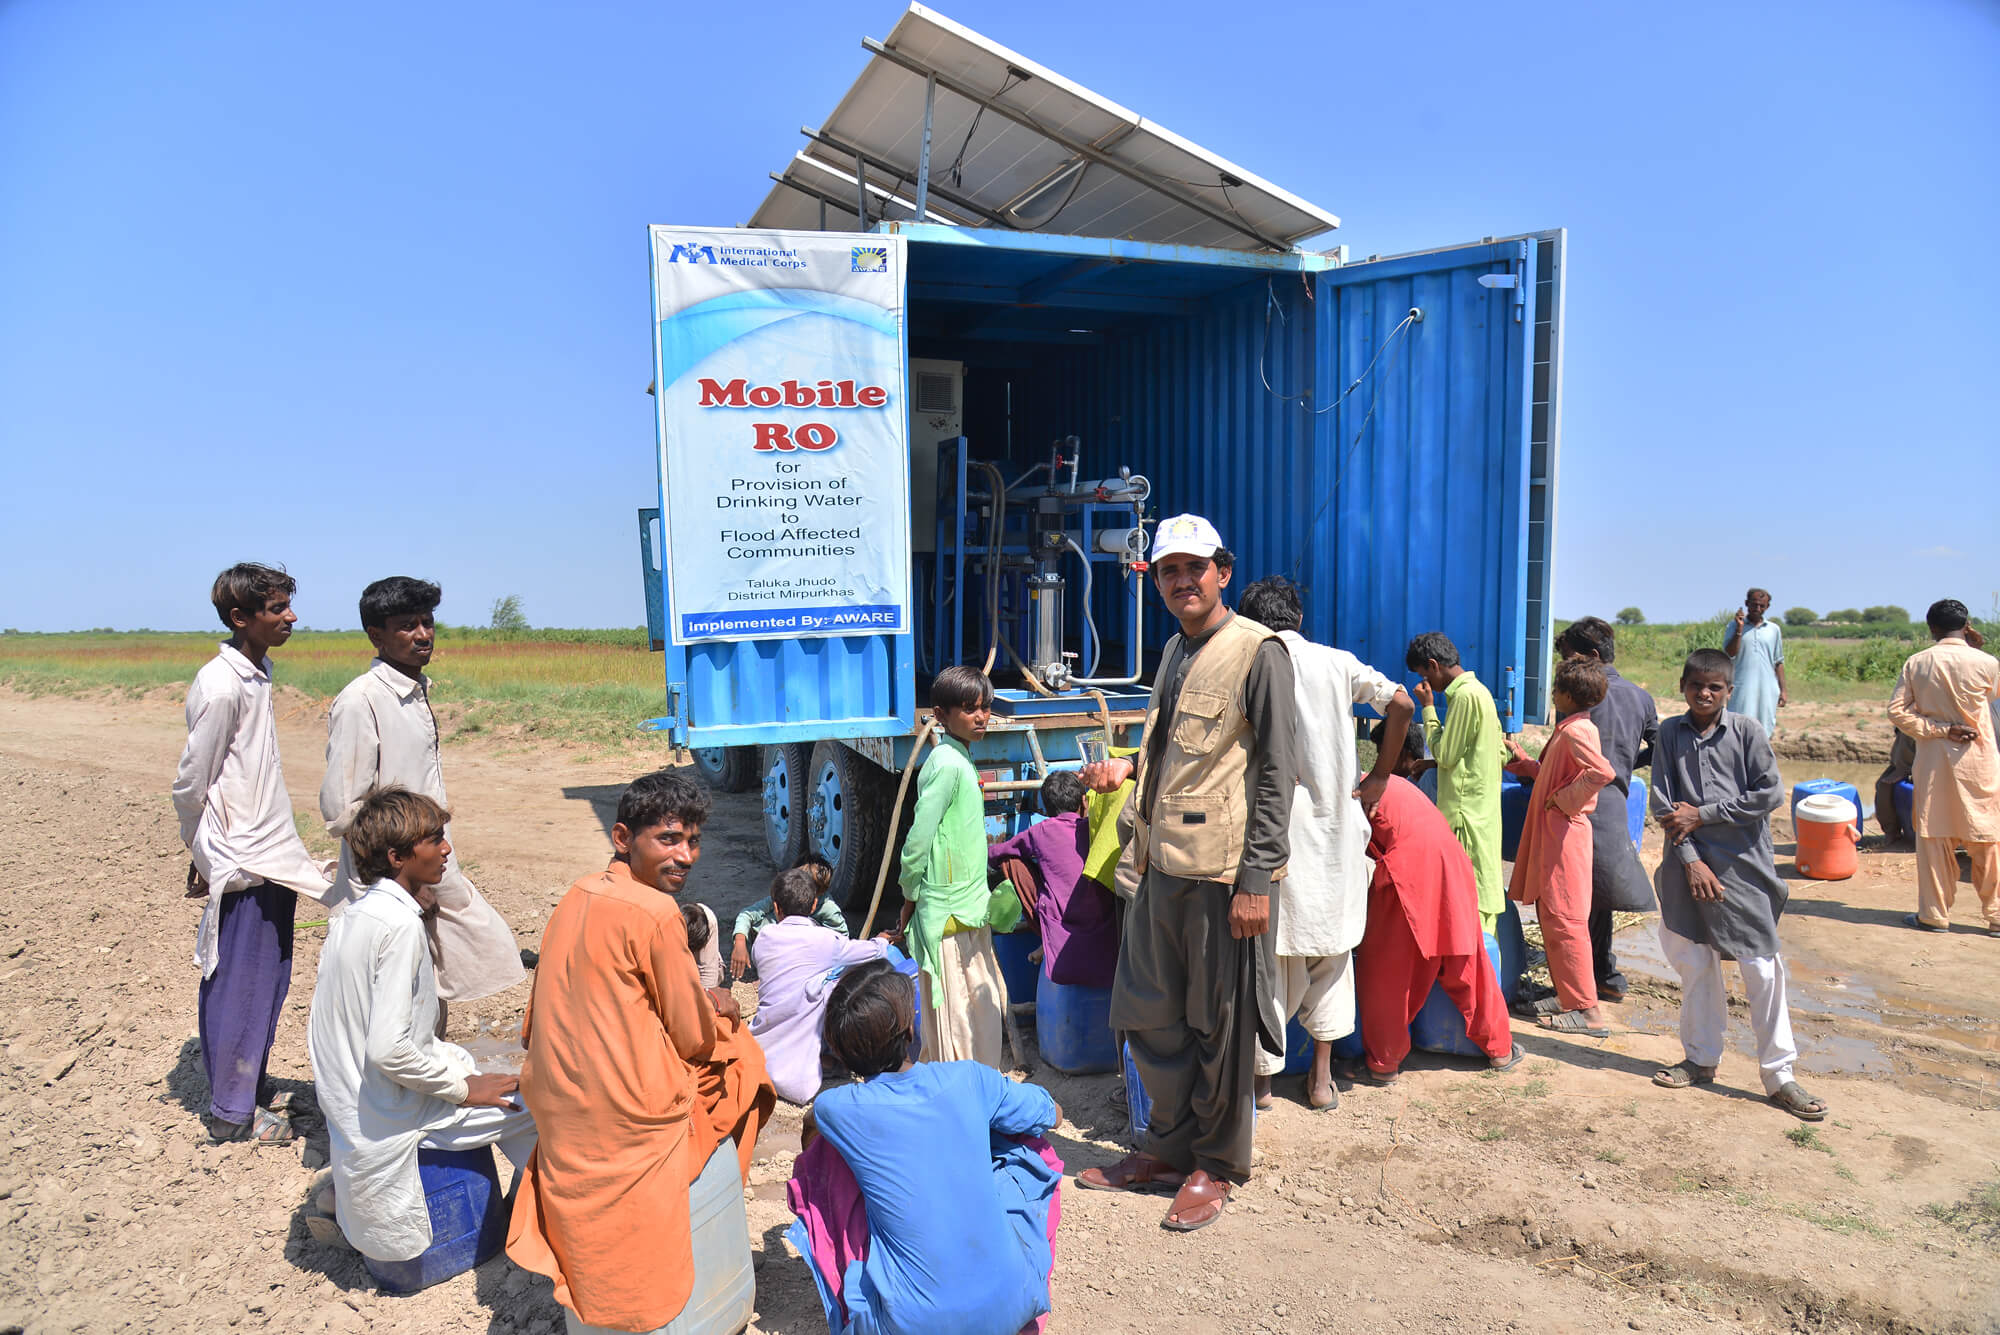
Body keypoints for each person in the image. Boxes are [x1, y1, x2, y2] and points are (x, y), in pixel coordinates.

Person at [1075, 514, 1297, 1233]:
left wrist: (1257, 879)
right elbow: (1175, 753)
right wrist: (1127, 769)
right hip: (1160, 864)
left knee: (1219, 1025)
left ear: (1221, 572)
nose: (1180, 581)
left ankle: (1218, 1163)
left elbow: (1276, 774)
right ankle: (1167, 1149)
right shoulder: (1174, 648)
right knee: (1149, 1011)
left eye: (1192, 568)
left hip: (1221, 874)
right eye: (1168, 570)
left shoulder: (1257, 653)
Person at [507, 770, 775, 1333]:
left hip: (558, 1103)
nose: (686, 855)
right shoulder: (656, 914)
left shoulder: (576, 894)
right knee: (743, 1062)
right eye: (669, 839)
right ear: (624, 838)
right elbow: (693, 1038)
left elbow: (541, 1018)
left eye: (693, 841)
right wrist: (720, 1007)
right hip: (631, 1116)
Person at [307, 788, 537, 1263]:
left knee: (490, 1071)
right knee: (538, 1102)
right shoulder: (400, 927)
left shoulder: (353, 916)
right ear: (398, 856)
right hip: (392, 1112)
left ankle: (527, 1213)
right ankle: (538, 1225)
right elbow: (389, 1051)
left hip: (358, 1106)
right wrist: (461, 1089)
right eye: (433, 840)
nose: (446, 849)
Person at [788, 960, 1063, 1335]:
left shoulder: (836, 1109)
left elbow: (812, 1127)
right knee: (1019, 1144)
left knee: (827, 1160)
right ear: (910, 1030)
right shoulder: (969, 1079)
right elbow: (1049, 1115)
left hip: (914, 1325)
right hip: (1012, 1305)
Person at [1237, 574, 1413, 1111]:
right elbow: (1402, 704)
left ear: (1247, 621)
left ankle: (1262, 1085)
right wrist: (1381, 774)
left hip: (1272, 842)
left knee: (1267, 964)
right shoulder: (1338, 663)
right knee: (1332, 960)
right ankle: (1319, 1081)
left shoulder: (1246, 662)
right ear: (1299, 619)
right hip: (1336, 839)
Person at [172, 563, 334, 1144]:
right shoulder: (220, 685)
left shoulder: (256, 673)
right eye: (277, 608)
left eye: (289, 604)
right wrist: (204, 849)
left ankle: (246, 1085)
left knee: (267, 977)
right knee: (241, 979)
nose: (291, 616)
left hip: (269, 850)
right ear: (241, 618)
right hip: (244, 857)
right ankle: (231, 1114)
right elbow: (192, 783)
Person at [321, 576, 525, 1003]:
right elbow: (346, 809)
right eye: (407, 626)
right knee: (395, 991)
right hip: (389, 869)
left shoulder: (415, 693)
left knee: (446, 970)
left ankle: (430, 1063)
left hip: (428, 859)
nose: (422, 635)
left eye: (427, 622)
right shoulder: (362, 700)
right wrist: (400, 883)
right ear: (376, 635)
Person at [1650, 649, 1826, 1120]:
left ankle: (1779, 1075)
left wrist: (1704, 814)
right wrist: (1691, 860)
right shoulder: (1669, 732)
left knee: (1762, 968)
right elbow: (1663, 804)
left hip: (1743, 868)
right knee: (1696, 963)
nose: (1704, 695)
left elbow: (1770, 793)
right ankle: (1701, 1058)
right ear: (1682, 685)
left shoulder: (1747, 731)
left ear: (1729, 691)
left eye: (1715, 688)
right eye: (1696, 686)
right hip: (1686, 866)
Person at [1352, 724, 1520, 1082]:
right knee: (1466, 962)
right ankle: (1500, 1050)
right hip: (1453, 866)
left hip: (1411, 870)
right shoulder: (1391, 785)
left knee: (1385, 968)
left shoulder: (1354, 794)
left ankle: (1383, 1064)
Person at [1531, 616, 1659, 1006]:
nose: (1565, 669)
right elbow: (1661, 745)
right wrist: (1626, 767)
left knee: (1567, 900)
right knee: (1597, 894)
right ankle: (1604, 973)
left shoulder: (1581, 695)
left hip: (1578, 805)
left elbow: (1564, 752)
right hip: (1615, 802)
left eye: (1570, 658)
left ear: (1590, 657)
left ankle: (1573, 987)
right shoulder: (1641, 697)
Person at [895, 665, 1008, 1069]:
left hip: (967, 909)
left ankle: (975, 1089)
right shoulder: (945, 763)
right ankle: (961, 1095)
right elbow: (917, 841)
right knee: (958, 1019)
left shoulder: (958, 758)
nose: (981, 717)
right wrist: (909, 895)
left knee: (977, 1011)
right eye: (970, 709)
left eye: (986, 708)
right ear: (941, 715)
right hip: (947, 914)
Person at [1506, 658, 1616, 1037]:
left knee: (1565, 918)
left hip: (1565, 836)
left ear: (1566, 695)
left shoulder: (1576, 732)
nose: (1551, 694)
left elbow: (1602, 772)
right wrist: (1525, 764)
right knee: (1552, 914)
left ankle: (1586, 1011)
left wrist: (1563, 800)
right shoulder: (1571, 728)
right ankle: (1567, 996)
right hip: (1556, 835)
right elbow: (1556, 772)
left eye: (1554, 689)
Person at [1887, 600, 2000, 934]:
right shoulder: (1987, 662)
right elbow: (1991, 696)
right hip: (1978, 761)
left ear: (1931, 628)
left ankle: (1934, 915)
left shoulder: (1917, 663)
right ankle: (1996, 917)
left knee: (1934, 837)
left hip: (1934, 763)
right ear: (1967, 626)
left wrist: (1938, 729)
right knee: (1988, 839)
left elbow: (1897, 711)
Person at [749, 866, 893, 1104]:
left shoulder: (763, 939)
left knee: (822, 979)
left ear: (776, 907)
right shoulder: (826, 940)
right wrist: (882, 940)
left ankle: (822, 1057)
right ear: (815, 904)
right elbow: (873, 952)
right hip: (795, 1080)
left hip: (758, 1056)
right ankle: (832, 1054)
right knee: (841, 978)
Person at [1407, 631, 1506, 934]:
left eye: (1425, 675)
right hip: (1483, 812)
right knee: (1482, 894)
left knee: (1466, 903)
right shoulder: (1481, 693)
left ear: (1434, 665)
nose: (1428, 685)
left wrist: (1427, 707)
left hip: (1465, 816)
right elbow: (1497, 752)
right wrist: (1434, 763)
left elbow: (1448, 754)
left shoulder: (1463, 697)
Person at [986, 770, 1121, 989]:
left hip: (1060, 927)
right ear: (1083, 802)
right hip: (1105, 929)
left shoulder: (1040, 831)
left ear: (1046, 809)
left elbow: (996, 854)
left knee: (1012, 861)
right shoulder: (1096, 830)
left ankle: (1044, 941)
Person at [729, 854, 848, 980]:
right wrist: (740, 942)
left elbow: (841, 941)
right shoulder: (785, 895)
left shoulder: (828, 908)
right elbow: (747, 915)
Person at [1724, 587, 1788, 739]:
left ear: (1767, 607)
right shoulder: (1733, 626)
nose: (1757, 609)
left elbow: (1778, 662)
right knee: (1738, 726)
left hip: (1767, 688)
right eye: (1754, 604)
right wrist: (1739, 629)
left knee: (1764, 728)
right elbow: (1730, 653)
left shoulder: (1774, 629)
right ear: (1747, 603)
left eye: (1762, 606)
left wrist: (1783, 690)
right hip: (1741, 687)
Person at [1872, 731, 1918, 847]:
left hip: (1924, 764)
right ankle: (1892, 831)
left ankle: (1893, 831)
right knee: (1883, 786)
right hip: (1907, 764)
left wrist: (1904, 768)